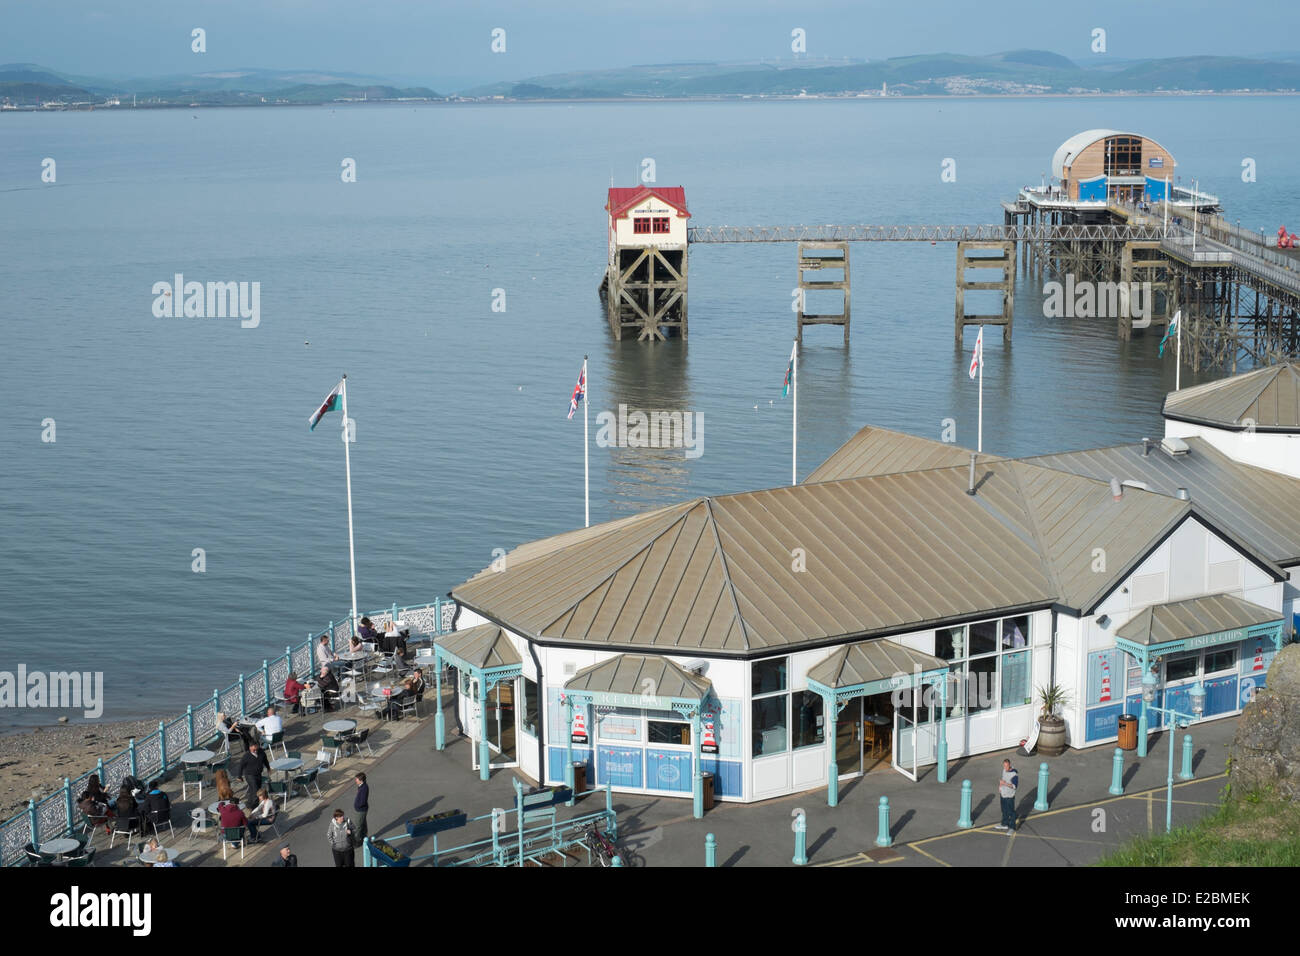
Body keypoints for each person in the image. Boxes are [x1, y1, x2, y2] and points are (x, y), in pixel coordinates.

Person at [238, 743, 271, 809]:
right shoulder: (246, 756)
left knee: (254, 790)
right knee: (256, 791)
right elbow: (241, 766)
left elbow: (265, 760)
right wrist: (239, 776)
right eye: (254, 750)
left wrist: (268, 768)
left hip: (258, 774)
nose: (256, 751)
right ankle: (254, 807)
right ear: (250, 748)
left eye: (257, 749)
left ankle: (249, 804)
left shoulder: (261, 752)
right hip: (250, 775)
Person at [996, 758, 1019, 832]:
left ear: (1009, 765)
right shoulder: (1004, 770)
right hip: (1003, 794)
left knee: (1011, 812)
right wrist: (1000, 786)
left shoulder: (1014, 774)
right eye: (1004, 766)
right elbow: (1003, 779)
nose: (1005, 767)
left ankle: (1012, 827)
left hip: (1009, 796)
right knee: (1004, 810)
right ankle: (1004, 824)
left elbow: (1014, 786)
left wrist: (1004, 783)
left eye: (1007, 766)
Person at [353, 773, 369, 843]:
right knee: (363, 824)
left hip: (361, 810)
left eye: (356, 779)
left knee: (358, 825)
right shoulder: (361, 786)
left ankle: (357, 841)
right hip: (362, 809)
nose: (355, 780)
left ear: (361, 780)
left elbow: (363, 801)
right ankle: (365, 838)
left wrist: (357, 805)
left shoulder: (364, 788)